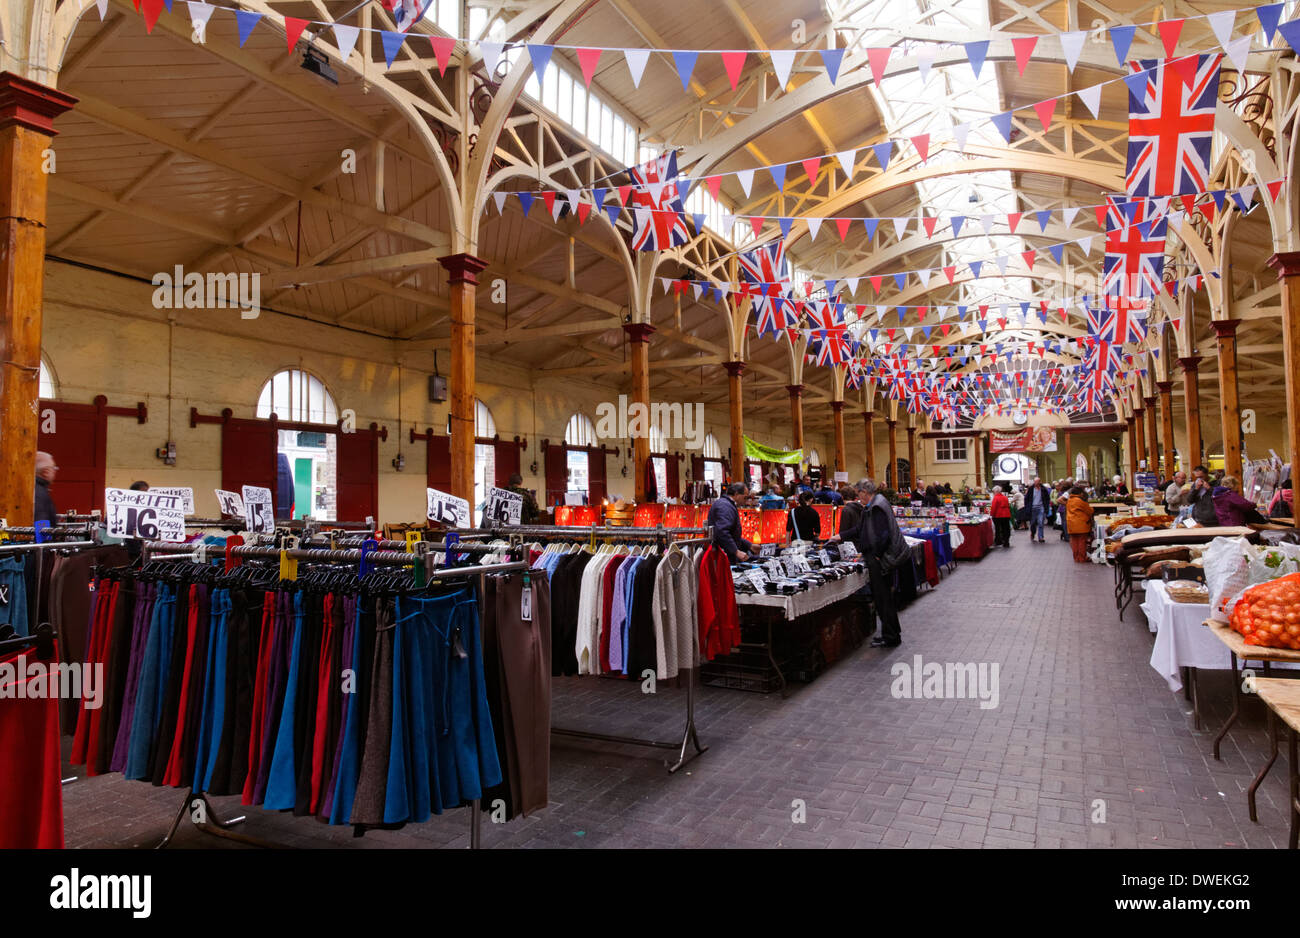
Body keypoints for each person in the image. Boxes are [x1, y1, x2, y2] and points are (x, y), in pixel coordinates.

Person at [846, 479, 906, 648]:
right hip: (876, 557)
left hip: (878, 559)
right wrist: (841, 536)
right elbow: (861, 529)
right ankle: (891, 633)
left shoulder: (876, 506)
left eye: (859, 494)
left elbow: (884, 534)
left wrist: (878, 555)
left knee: (883, 598)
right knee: (884, 598)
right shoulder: (875, 504)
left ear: (865, 492)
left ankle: (890, 636)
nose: (859, 498)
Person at [706, 482, 754, 562]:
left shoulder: (727, 504)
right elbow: (722, 532)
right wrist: (736, 551)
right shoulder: (725, 506)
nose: (746, 501)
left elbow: (731, 534)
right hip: (722, 556)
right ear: (736, 494)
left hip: (725, 553)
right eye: (745, 497)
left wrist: (749, 545)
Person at [1065, 485, 1095, 563]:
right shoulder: (1079, 501)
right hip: (1080, 524)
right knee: (1082, 541)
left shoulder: (1069, 500)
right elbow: (1089, 511)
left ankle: (1076, 558)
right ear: (1080, 493)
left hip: (1071, 524)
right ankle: (1082, 558)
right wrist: (1092, 509)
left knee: (1074, 541)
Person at [1025, 477, 1053, 543]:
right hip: (1032, 508)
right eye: (1035, 482)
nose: (1036, 483)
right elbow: (1026, 498)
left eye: (1037, 482)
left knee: (1041, 522)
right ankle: (1033, 533)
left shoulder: (1043, 489)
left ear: (1040, 482)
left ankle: (1041, 537)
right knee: (1033, 523)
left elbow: (1047, 498)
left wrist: (1046, 506)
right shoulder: (1031, 489)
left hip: (1041, 507)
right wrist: (1027, 506)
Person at [34, 451, 58, 526]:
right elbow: (41, 527)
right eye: (54, 468)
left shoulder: (35, 488)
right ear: (45, 472)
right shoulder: (39, 493)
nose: (55, 471)